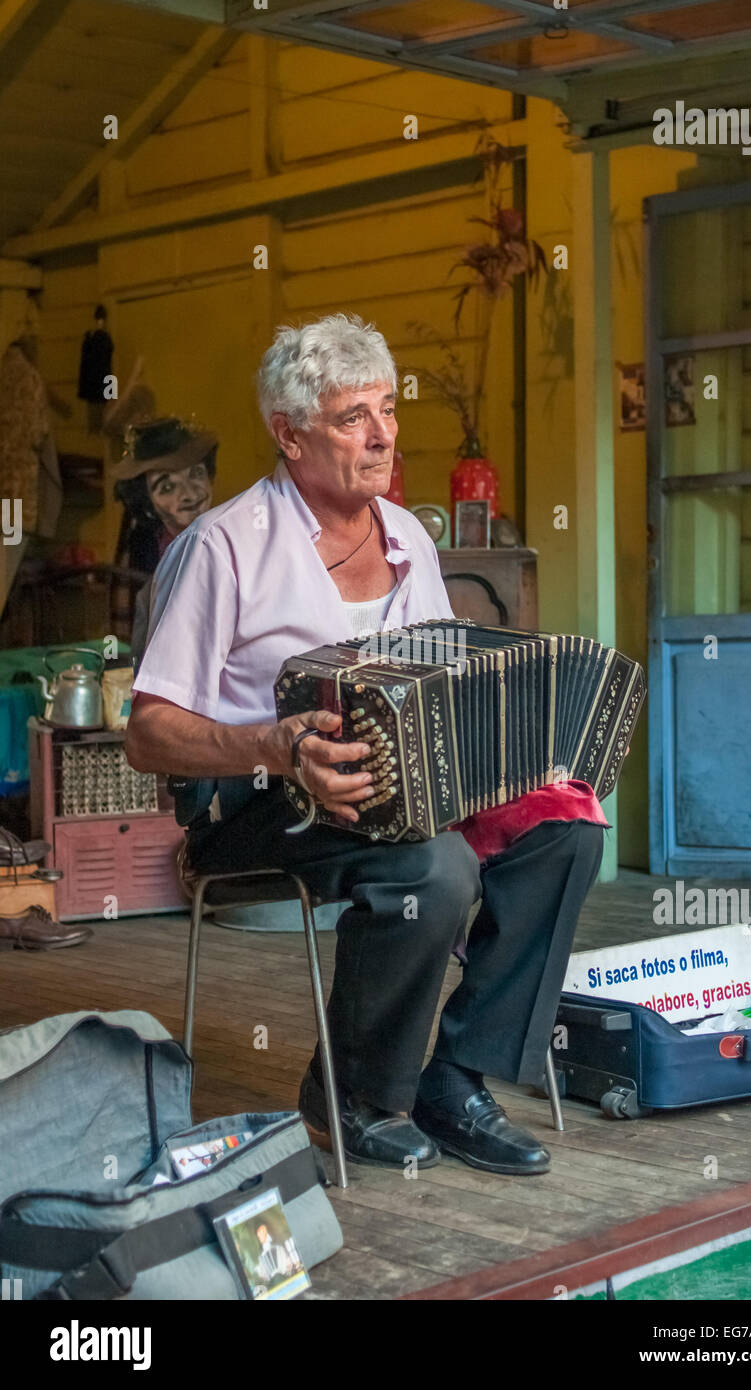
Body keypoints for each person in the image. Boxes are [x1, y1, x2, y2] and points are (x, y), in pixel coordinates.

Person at [126, 313, 606, 1176]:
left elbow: (439, 687)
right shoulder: (224, 547)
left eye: (387, 409)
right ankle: (353, 1093)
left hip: (405, 787)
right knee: (434, 868)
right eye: (354, 416)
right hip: (259, 805)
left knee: (565, 823)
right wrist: (274, 745)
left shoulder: (409, 538)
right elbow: (148, 733)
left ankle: (457, 1076)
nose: (382, 433)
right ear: (290, 433)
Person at [112, 416, 217, 665]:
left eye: (196, 474)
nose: (189, 493)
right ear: (148, 505)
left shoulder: (236, 539)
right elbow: (128, 648)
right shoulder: (140, 557)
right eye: (167, 487)